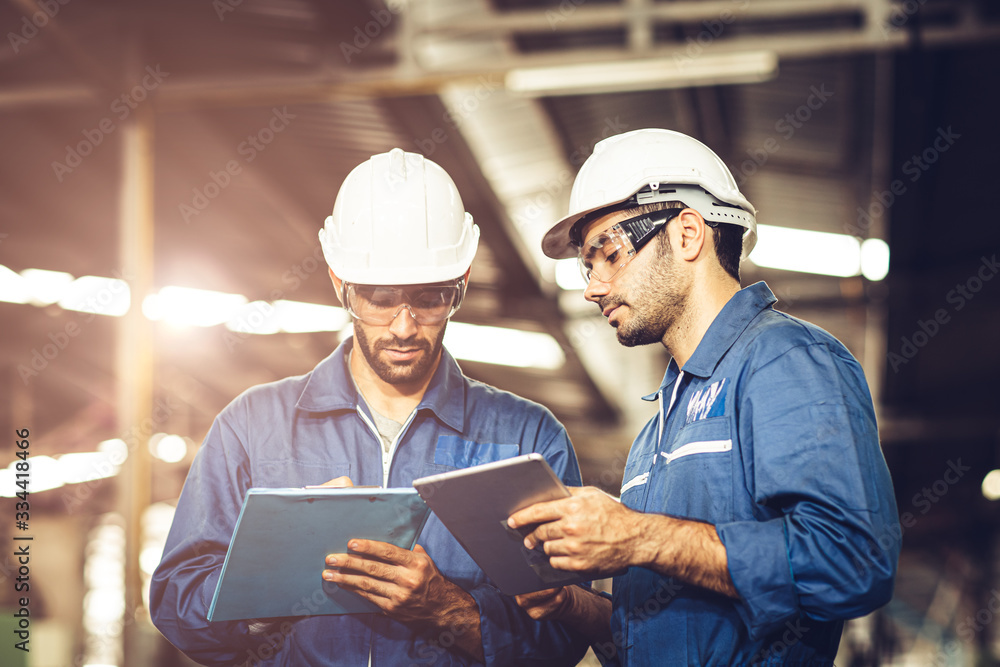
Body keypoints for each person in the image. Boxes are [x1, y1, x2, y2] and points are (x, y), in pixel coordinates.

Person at [151, 148, 589, 666]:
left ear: (462, 283)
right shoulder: (251, 426)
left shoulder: (527, 438)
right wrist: (276, 576)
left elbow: (563, 637)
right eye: (379, 299)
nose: (404, 327)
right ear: (340, 285)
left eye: (429, 298)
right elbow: (176, 606)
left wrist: (447, 610)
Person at [508, 128, 900, 666]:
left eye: (608, 253)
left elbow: (853, 563)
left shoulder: (785, 361)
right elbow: (655, 640)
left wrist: (639, 536)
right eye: (586, 266)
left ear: (688, 234)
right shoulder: (657, 429)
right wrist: (573, 606)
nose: (592, 288)